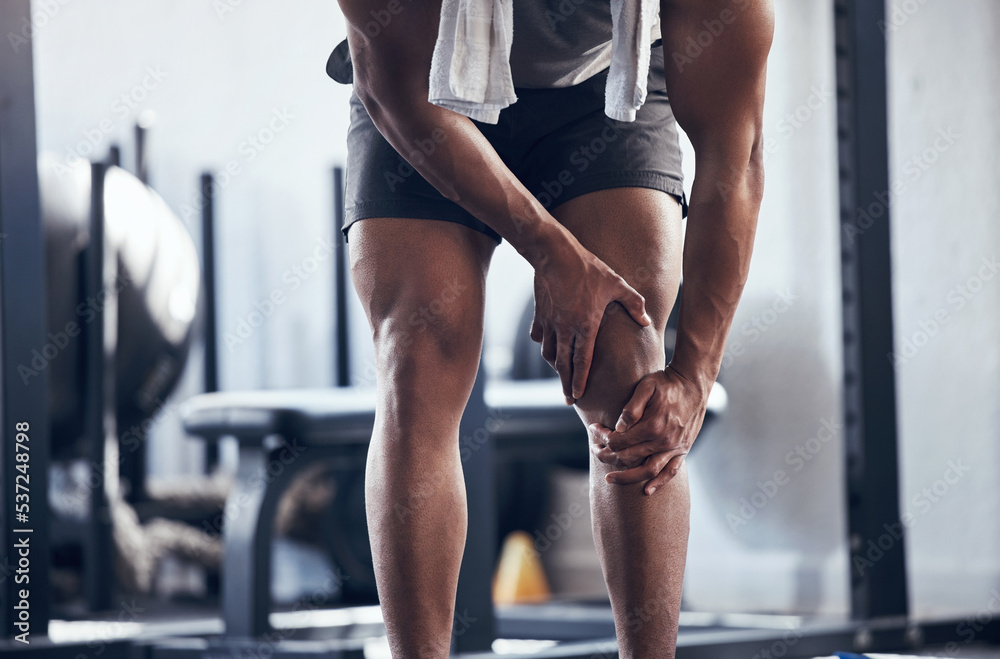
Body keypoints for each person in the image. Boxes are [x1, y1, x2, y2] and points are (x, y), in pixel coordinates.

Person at [331, 0, 773, 656]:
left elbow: (732, 162)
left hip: (601, 95)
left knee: (630, 368)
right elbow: (394, 89)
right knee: (417, 358)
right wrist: (553, 251)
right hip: (425, 90)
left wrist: (695, 376)